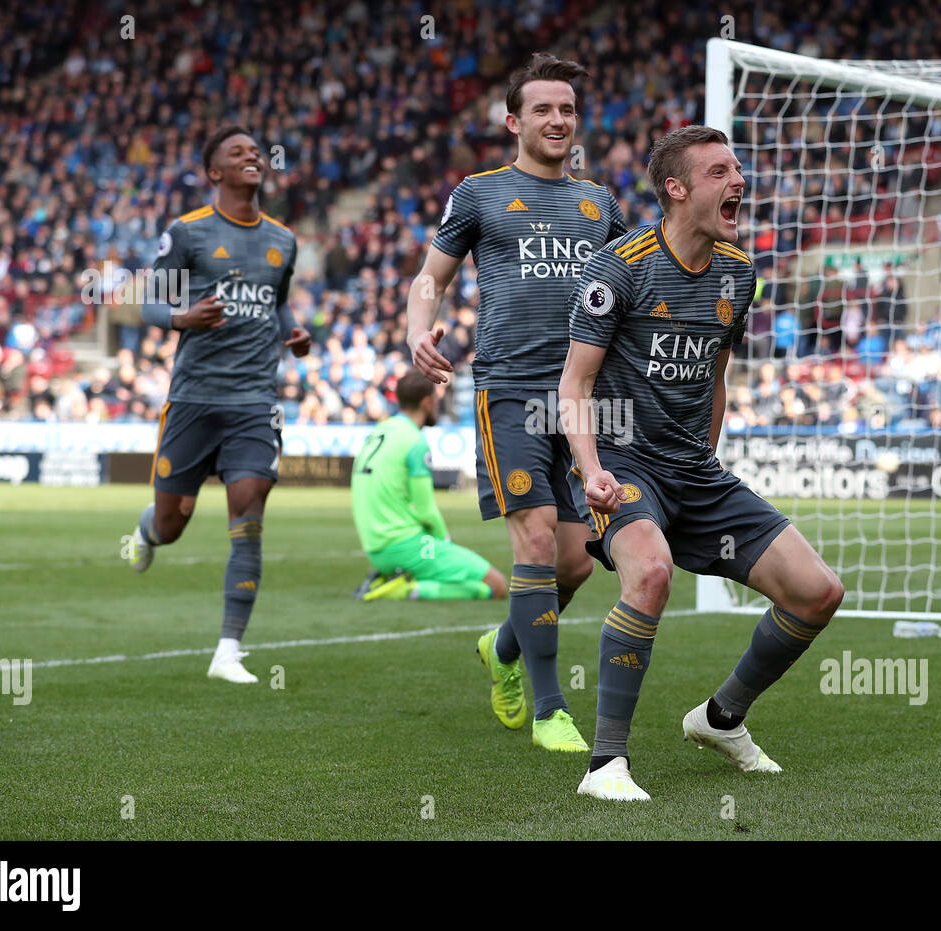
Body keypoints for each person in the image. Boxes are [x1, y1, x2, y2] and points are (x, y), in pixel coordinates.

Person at [558, 125, 845, 801]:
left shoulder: (739, 274)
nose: (738, 181)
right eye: (719, 172)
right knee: (651, 573)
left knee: (818, 591)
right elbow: (574, 385)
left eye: (738, 169)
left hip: (696, 470)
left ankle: (721, 717)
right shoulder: (619, 268)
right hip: (625, 463)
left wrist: (706, 458)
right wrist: (591, 468)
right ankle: (605, 765)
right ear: (677, 189)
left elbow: (716, 376)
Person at [406, 53, 627, 749]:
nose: (558, 119)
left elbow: (630, 296)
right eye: (543, 109)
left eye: (566, 109)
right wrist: (418, 329)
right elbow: (429, 276)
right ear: (513, 121)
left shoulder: (602, 204)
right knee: (533, 540)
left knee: (575, 563)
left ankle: (501, 648)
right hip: (509, 388)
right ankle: (549, 708)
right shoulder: (478, 194)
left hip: (582, 399)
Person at [123, 126, 311, 684]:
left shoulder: (284, 239)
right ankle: (146, 533)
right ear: (214, 172)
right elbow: (150, 305)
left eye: (256, 151)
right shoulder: (188, 234)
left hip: (255, 400)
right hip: (194, 399)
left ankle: (227, 650)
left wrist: (292, 333)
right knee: (172, 520)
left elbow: (277, 307)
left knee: (248, 510)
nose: (251, 156)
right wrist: (183, 318)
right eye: (238, 153)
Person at [352, 370, 507, 602]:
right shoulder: (415, 442)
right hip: (406, 546)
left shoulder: (379, 431)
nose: (437, 406)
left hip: (374, 548)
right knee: (497, 586)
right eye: (436, 401)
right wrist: (446, 544)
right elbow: (426, 511)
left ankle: (397, 579)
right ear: (426, 403)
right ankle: (405, 589)